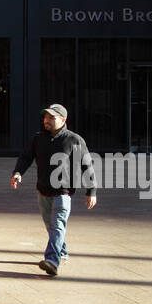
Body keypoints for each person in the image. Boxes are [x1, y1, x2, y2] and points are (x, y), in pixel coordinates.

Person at [10, 104, 97, 276]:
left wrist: (91, 191)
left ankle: (52, 261)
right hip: (43, 190)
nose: (47, 120)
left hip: (63, 191)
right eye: (45, 117)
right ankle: (62, 252)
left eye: (52, 118)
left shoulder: (74, 140)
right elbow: (26, 157)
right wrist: (18, 172)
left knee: (57, 225)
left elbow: (87, 165)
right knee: (51, 227)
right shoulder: (37, 138)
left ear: (63, 120)